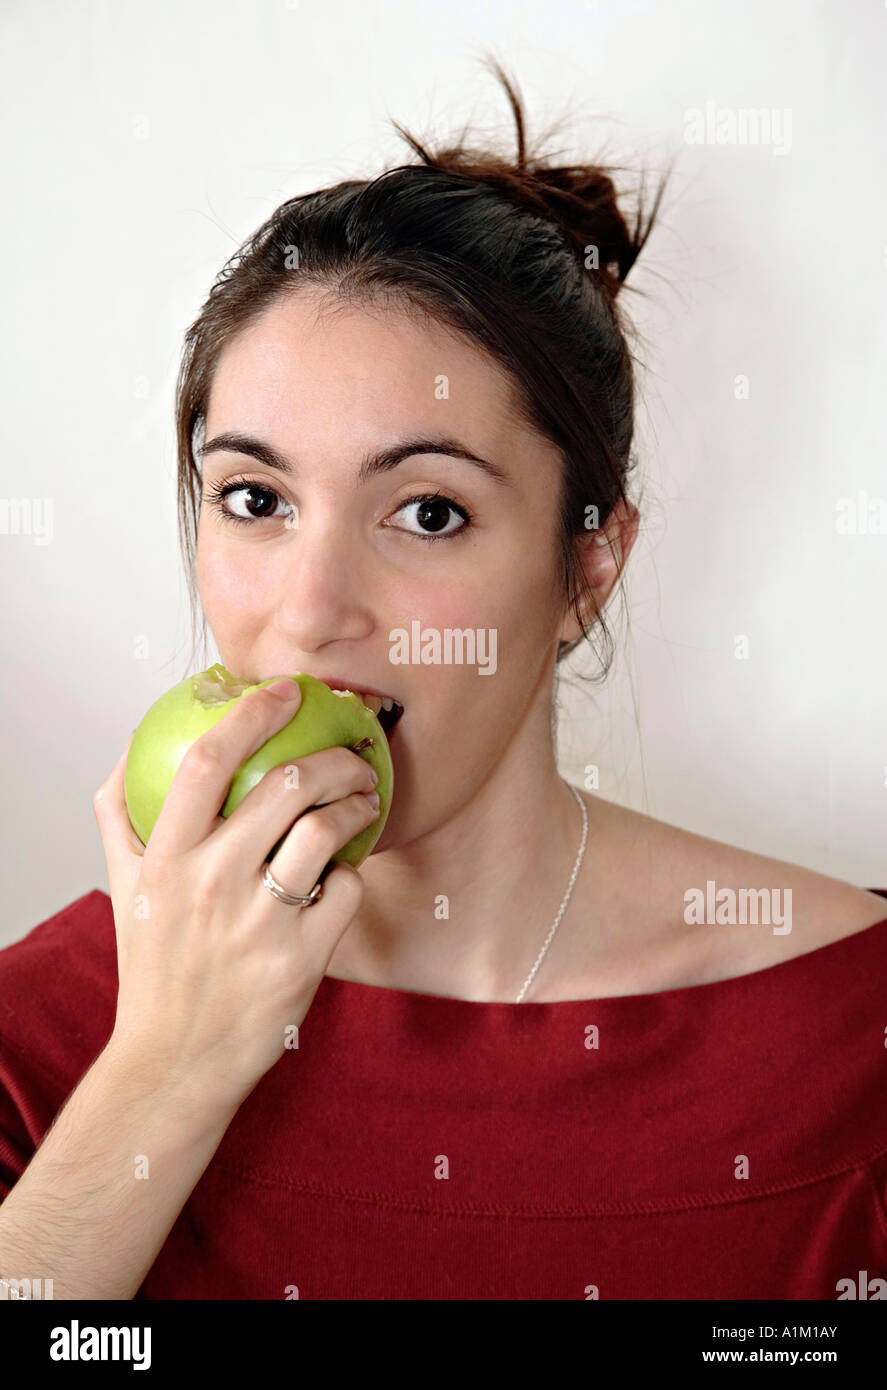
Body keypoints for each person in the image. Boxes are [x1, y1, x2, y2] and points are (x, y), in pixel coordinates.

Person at [1, 62, 885, 1302]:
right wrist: (164, 1069)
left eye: (425, 511)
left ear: (585, 566)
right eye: (253, 500)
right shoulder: (42, 1037)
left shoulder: (852, 1034)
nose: (310, 613)